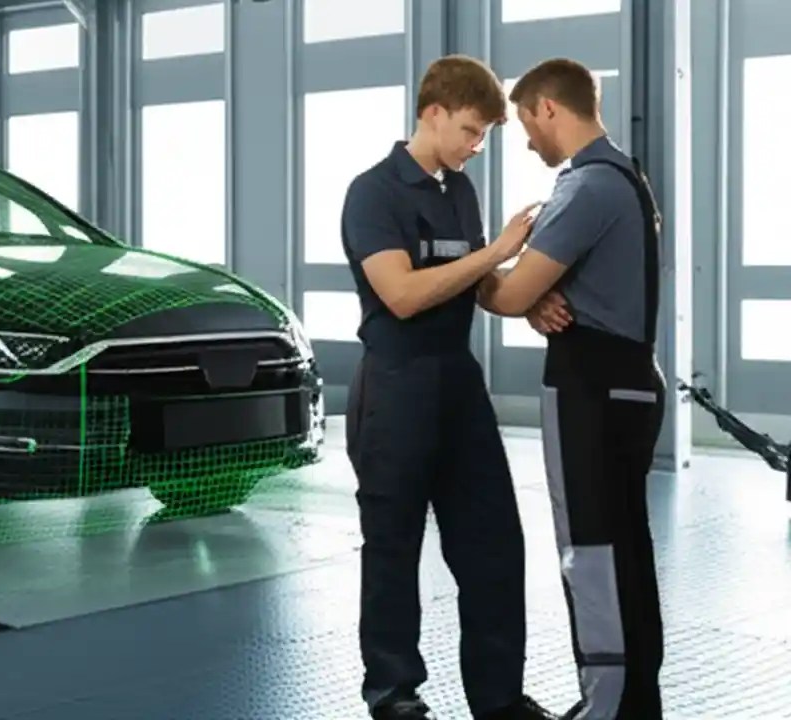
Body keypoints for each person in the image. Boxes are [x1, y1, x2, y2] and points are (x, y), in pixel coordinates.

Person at [340, 54, 559, 720]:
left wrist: (528, 301)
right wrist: (497, 251)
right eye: (469, 130)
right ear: (432, 113)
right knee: (394, 550)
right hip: (397, 383)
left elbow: (477, 283)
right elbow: (402, 295)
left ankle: (498, 700)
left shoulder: (458, 191)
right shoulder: (372, 193)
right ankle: (395, 696)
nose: (475, 145)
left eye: (485, 136)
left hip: (459, 386)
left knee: (494, 544)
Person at [477, 57, 667, 720]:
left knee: (591, 553)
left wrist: (470, 268)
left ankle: (606, 709)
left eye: (528, 122)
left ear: (549, 108)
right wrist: (539, 301)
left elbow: (511, 291)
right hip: (629, 380)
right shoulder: (626, 175)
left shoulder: (585, 186)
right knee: (624, 552)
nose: (529, 140)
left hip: (593, 389)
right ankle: (634, 703)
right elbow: (558, 290)